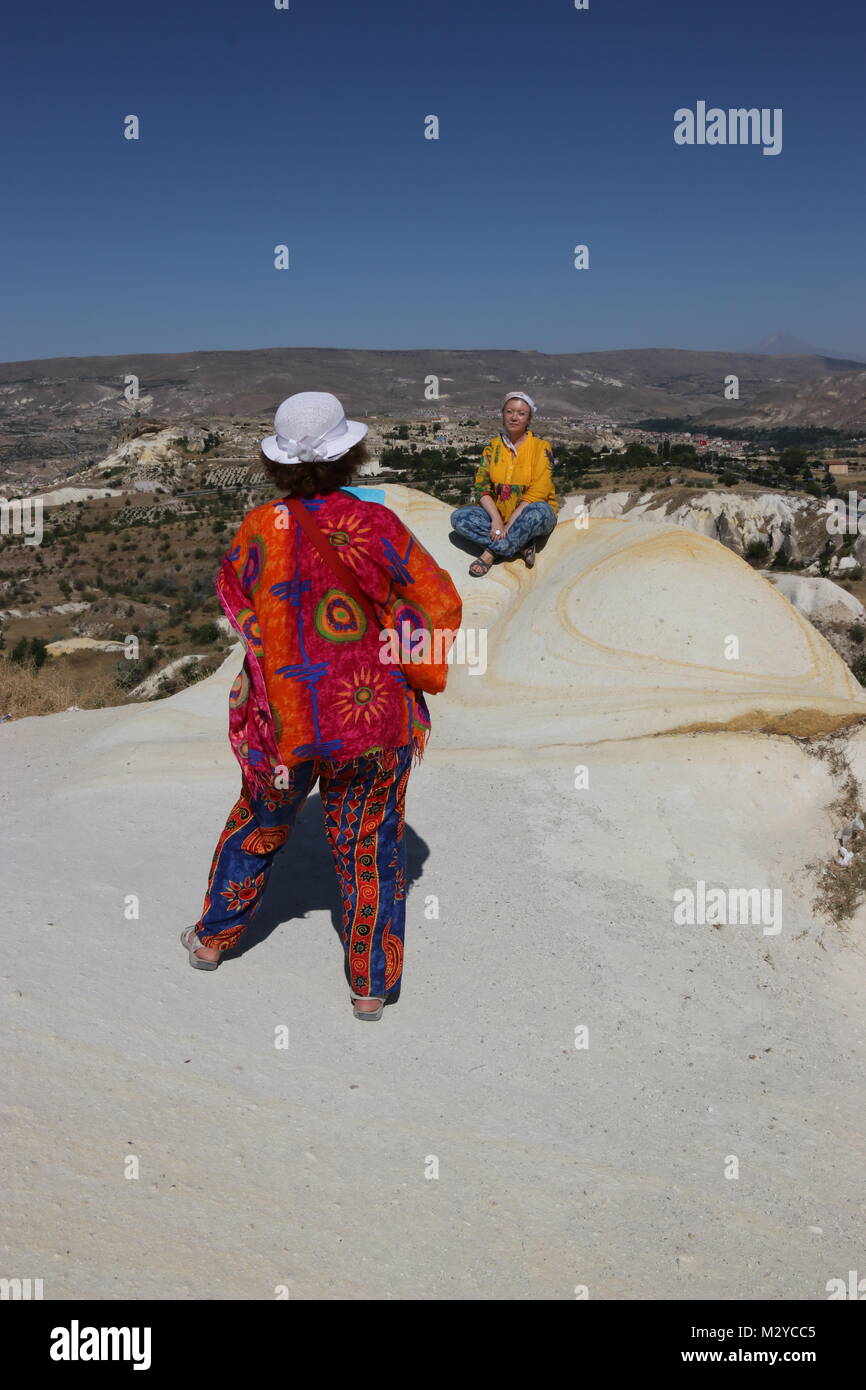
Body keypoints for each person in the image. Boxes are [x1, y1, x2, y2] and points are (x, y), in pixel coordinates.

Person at [181, 391, 462, 1019]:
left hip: (284, 722)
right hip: (372, 716)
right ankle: (369, 987)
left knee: (258, 824)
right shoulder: (379, 525)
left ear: (278, 465)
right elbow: (439, 602)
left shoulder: (260, 529)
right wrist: (408, 662)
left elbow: (237, 601)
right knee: (370, 849)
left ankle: (211, 941)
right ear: (351, 455)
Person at [450, 391, 558, 577]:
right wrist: (497, 520)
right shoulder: (492, 448)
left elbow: (539, 491)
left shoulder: (541, 447)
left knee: (539, 511)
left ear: (529, 418)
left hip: (531, 513)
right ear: (503, 414)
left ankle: (491, 553)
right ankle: (521, 544)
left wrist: (510, 524)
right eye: (509, 412)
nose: (514, 417)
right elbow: (482, 488)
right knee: (459, 517)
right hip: (499, 515)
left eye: (521, 413)